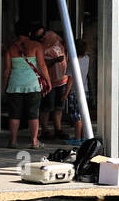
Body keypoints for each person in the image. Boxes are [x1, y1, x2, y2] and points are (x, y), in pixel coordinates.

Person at [4, 20, 50, 150]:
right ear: (30, 32)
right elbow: (42, 65)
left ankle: (13, 141)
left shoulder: (11, 48)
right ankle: (34, 142)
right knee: (33, 114)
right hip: (32, 85)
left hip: (15, 85)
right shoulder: (36, 46)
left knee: (14, 114)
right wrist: (48, 81)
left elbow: (7, 70)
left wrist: (5, 85)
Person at [34, 24, 70, 141]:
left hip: (62, 78)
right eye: (41, 37)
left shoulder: (52, 35)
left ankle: (58, 128)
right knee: (47, 106)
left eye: (44, 34)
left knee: (59, 106)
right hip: (50, 80)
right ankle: (44, 129)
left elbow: (63, 41)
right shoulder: (39, 46)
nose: (44, 37)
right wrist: (54, 60)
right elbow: (41, 65)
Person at [66, 39, 90, 146]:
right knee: (83, 114)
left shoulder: (73, 61)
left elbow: (70, 79)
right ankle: (82, 137)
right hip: (85, 89)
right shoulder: (87, 59)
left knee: (77, 116)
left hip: (75, 91)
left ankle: (77, 138)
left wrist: (65, 94)